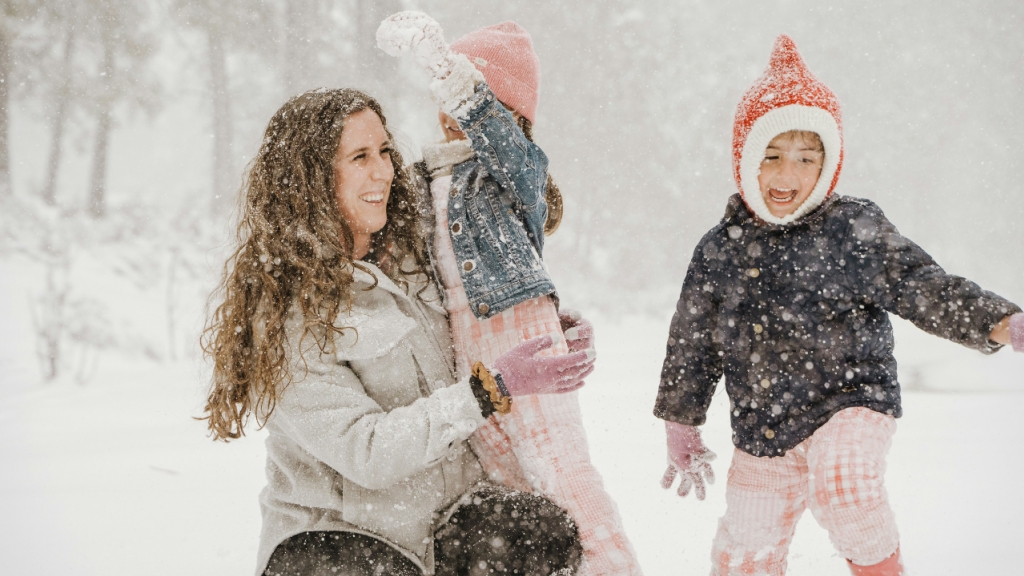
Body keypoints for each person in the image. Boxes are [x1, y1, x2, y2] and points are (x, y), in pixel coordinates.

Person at [653, 35, 1024, 576]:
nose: (787, 175)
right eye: (772, 156)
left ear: (829, 164)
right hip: (764, 427)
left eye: (807, 158)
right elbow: (692, 342)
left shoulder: (850, 228)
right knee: (742, 554)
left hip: (850, 400)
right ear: (745, 159)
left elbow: (923, 285)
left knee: (844, 489)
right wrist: (680, 421)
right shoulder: (720, 249)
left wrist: (998, 321)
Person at [201, 88, 599, 576]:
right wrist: (486, 391)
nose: (383, 172)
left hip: (433, 532)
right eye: (360, 157)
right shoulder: (287, 310)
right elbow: (366, 451)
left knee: (538, 533)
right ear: (311, 179)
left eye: (385, 151)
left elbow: (472, 326)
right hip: (334, 544)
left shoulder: (417, 253)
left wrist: (538, 330)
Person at [376, 12, 643, 576]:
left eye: (471, 94)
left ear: (508, 112)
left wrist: (449, 71)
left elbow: (498, 140)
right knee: (512, 487)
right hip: (468, 355)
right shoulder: (424, 175)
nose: (450, 109)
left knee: (563, 476)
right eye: (444, 94)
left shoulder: (513, 172)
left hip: (519, 334)